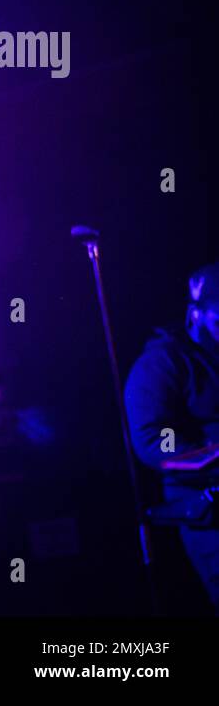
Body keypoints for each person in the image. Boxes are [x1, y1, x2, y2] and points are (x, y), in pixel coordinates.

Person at [124, 262, 219, 612]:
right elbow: (154, 442)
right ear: (196, 314)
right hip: (209, 509)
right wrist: (209, 457)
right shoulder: (163, 363)